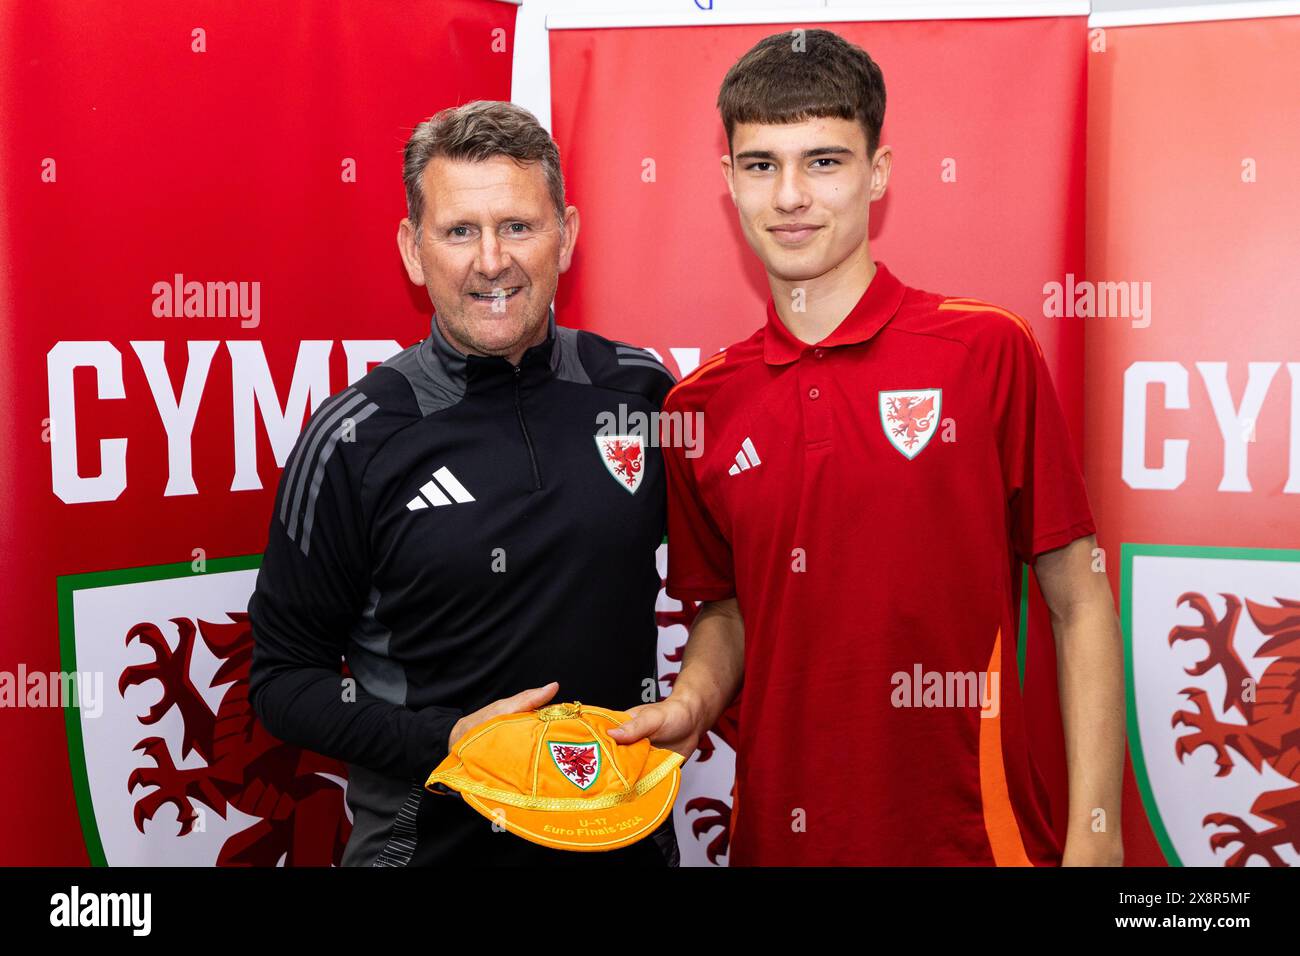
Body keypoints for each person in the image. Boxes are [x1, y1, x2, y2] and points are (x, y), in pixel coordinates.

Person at [610, 29, 1126, 866]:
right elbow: (728, 611)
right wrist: (692, 702)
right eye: (760, 164)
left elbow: (1081, 601)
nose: (789, 196)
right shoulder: (701, 402)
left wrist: (1096, 835)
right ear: (728, 183)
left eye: (823, 161)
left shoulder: (986, 350)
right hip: (777, 838)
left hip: (974, 837)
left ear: (877, 173)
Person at [248, 100, 679, 866]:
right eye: (459, 231)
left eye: (517, 226)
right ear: (414, 251)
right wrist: (448, 740)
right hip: (427, 849)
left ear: (567, 236)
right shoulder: (354, 437)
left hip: (629, 842)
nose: (491, 261)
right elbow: (283, 681)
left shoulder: (640, 389)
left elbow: (730, 586)